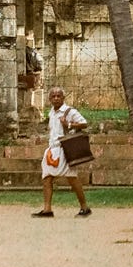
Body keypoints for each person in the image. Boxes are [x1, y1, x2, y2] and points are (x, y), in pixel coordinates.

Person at [37, 88, 91, 217]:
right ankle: (47, 209)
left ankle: (84, 207)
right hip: (52, 149)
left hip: (64, 149)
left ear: (63, 98)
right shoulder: (51, 112)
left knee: (72, 178)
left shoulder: (70, 111)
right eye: (53, 96)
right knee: (47, 178)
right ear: (50, 99)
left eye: (58, 96)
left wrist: (69, 124)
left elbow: (84, 124)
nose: (56, 98)